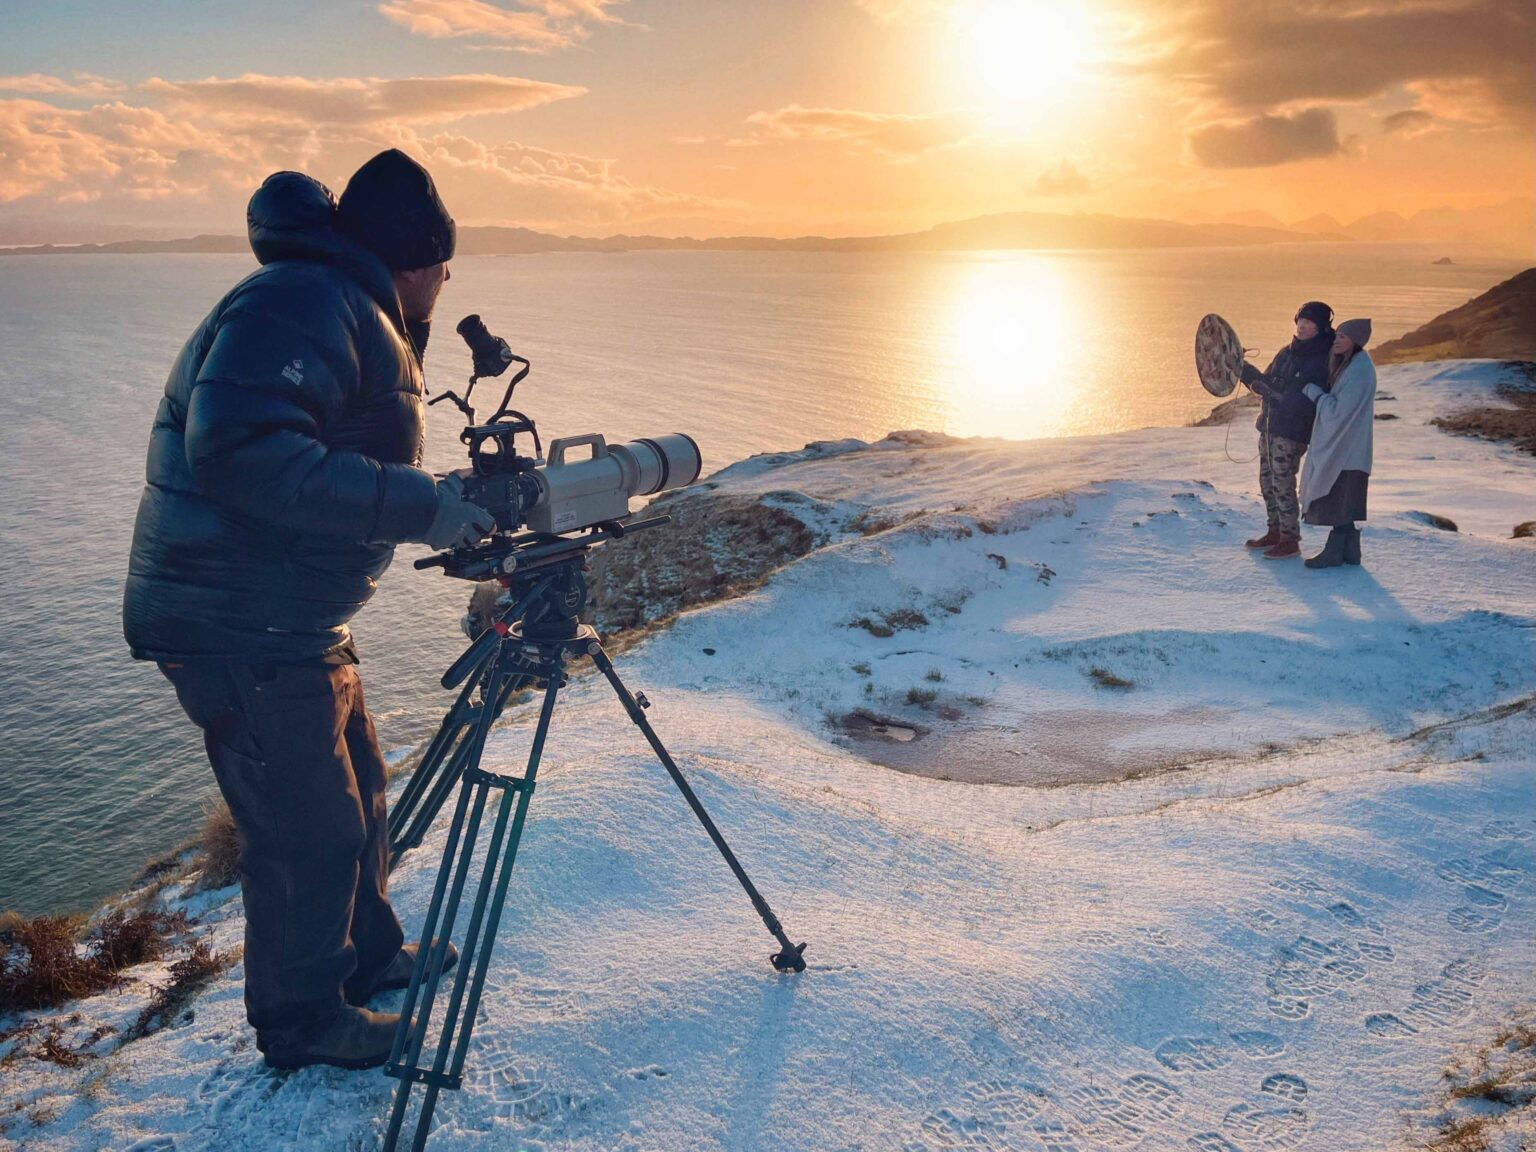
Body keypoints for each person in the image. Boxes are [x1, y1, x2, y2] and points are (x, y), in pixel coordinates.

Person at [123, 150, 495, 1070]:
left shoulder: (339, 302)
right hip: (237, 621)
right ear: (418, 257)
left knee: (360, 794)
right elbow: (241, 452)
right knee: (309, 831)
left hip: (289, 613)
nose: (447, 283)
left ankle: (366, 959)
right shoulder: (304, 301)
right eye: (444, 264)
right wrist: (423, 505)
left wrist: (436, 499)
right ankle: (303, 1023)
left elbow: (329, 452)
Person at [1240, 301, 1336, 559]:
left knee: (1282, 481)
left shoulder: (1322, 357)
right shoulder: (1288, 351)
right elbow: (1267, 381)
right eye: (1300, 320)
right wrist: (1244, 370)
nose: (1302, 326)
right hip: (1270, 425)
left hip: (1293, 430)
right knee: (1267, 480)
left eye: (1309, 322)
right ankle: (1275, 531)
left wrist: (1276, 393)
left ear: (1321, 326)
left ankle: (1289, 539)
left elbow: (1303, 396)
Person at [1299, 319, 1376, 569]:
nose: (1337, 340)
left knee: (1339, 501)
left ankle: (1334, 554)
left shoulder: (1358, 370)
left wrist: (1314, 394)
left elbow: (1339, 412)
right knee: (1344, 502)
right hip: (1350, 447)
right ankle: (1350, 552)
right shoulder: (1355, 365)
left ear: (1356, 341)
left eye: (1343, 336)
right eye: (1337, 335)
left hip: (1346, 449)